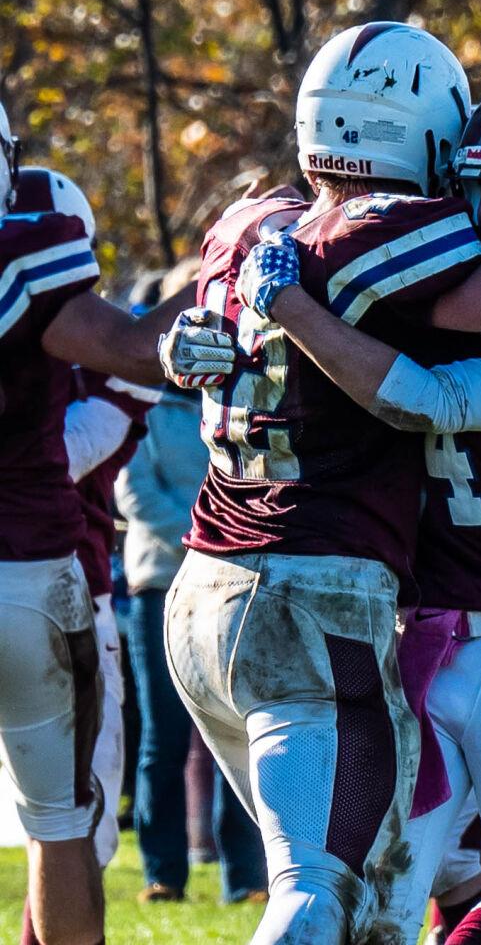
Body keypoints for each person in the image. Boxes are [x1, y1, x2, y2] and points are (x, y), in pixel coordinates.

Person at [158, 29, 481, 945]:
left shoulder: (249, 223)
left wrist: (191, 341)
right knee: (330, 894)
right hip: (324, 599)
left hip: (218, 592)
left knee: (466, 909)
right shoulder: (395, 236)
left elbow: (198, 332)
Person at [0, 103, 193, 945]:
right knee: (63, 823)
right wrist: (228, 259)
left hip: (55, 568)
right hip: (33, 568)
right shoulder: (33, 255)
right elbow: (137, 352)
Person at [117, 260, 270, 907]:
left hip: (232, 582)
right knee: (164, 736)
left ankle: (247, 878)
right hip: (159, 583)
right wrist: (206, 529)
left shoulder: (233, 395)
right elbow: (133, 491)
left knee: (239, 726)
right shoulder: (141, 405)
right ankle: (163, 873)